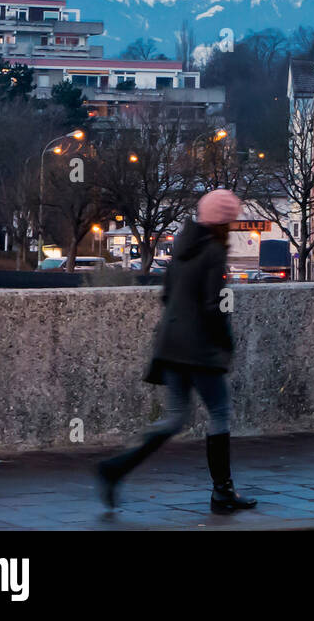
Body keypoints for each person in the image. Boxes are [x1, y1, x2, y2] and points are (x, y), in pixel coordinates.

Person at [96, 189, 257, 514]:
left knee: (174, 418)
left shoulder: (181, 246)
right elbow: (214, 307)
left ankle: (116, 468)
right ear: (224, 221)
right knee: (220, 414)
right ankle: (222, 492)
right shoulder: (212, 251)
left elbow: (167, 296)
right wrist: (225, 343)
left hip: (170, 345)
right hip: (199, 349)